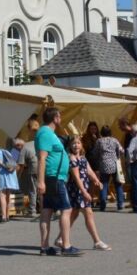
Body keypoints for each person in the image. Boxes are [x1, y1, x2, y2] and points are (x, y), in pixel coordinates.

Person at [35, 107, 78, 257]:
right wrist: (41, 182)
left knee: (47, 210)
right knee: (66, 210)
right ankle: (65, 245)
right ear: (55, 118)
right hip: (53, 178)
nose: (61, 119)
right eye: (59, 117)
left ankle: (45, 247)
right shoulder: (46, 133)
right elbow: (42, 158)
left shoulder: (49, 134)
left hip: (54, 177)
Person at [66, 136, 109, 250]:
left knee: (73, 215)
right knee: (88, 213)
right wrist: (84, 192)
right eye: (73, 143)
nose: (76, 145)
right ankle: (97, 241)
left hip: (82, 189)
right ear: (70, 146)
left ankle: (61, 238)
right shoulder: (71, 158)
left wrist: (97, 180)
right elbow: (76, 177)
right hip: (77, 190)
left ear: (82, 145)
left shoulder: (83, 158)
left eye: (78, 143)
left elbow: (89, 171)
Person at [92, 126, 124, 211]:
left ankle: (103, 204)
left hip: (104, 165)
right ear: (110, 132)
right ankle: (120, 204)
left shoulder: (99, 141)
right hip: (114, 164)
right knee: (118, 184)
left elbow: (95, 153)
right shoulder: (115, 140)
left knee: (104, 184)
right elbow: (121, 150)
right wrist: (117, 155)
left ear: (102, 132)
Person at [19, 120, 40, 217]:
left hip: (33, 169)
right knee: (44, 190)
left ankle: (32, 210)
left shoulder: (26, 146)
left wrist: (17, 175)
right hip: (45, 168)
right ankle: (47, 209)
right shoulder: (43, 142)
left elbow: (21, 164)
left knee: (33, 190)